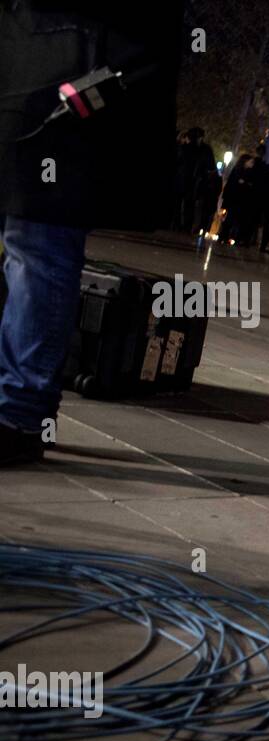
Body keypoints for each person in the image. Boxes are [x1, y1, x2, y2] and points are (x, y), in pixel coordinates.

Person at [0, 2, 180, 466]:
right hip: (44, 67)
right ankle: (21, 409)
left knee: (37, 247)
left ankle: (22, 416)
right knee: (31, 247)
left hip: (62, 77)